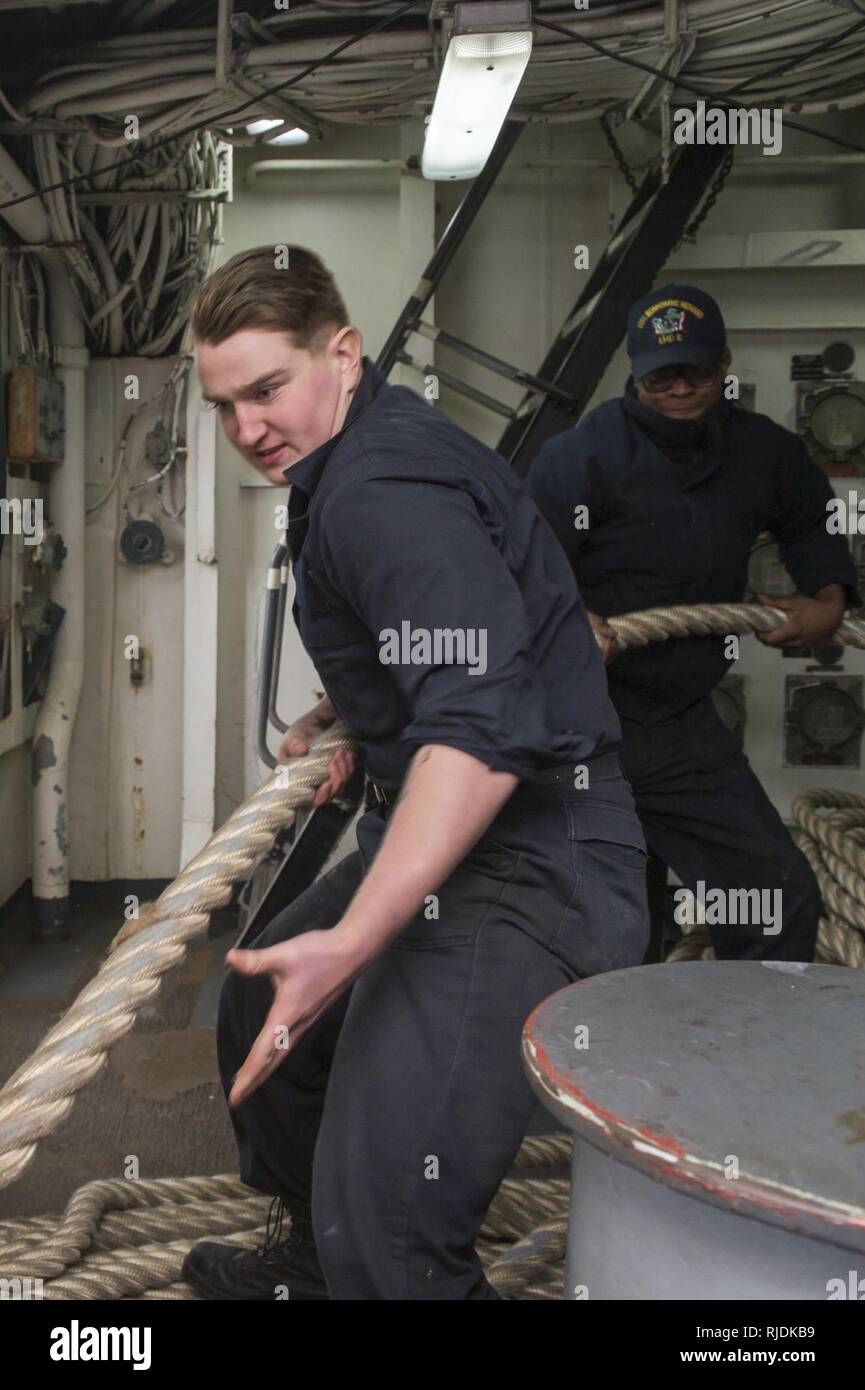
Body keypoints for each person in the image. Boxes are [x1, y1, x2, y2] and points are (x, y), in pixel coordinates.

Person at [181, 245, 650, 1301]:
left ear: (342, 355)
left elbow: (483, 727)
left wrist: (353, 939)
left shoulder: (380, 487)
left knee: (389, 1230)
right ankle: (314, 1261)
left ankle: (359, 1257)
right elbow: (454, 639)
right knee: (262, 1007)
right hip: (451, 828)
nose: (247, 427)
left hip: (535, 857)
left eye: (267, 390)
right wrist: (366, 712)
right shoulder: (351, 456)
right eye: (224, 405)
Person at [529, 283, 859, 963]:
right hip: (583, 729)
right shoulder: (579, 457)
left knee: (778, 899)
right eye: (661, 376)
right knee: (619, 928)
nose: (679, 388)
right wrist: (568, 618)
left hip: (681, 727)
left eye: (696, 372)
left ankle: (753, 1031)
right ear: (635, 374)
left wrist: (828, 597)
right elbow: (522, 568)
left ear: (724, 364)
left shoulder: (763, 452)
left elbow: (808, 520)